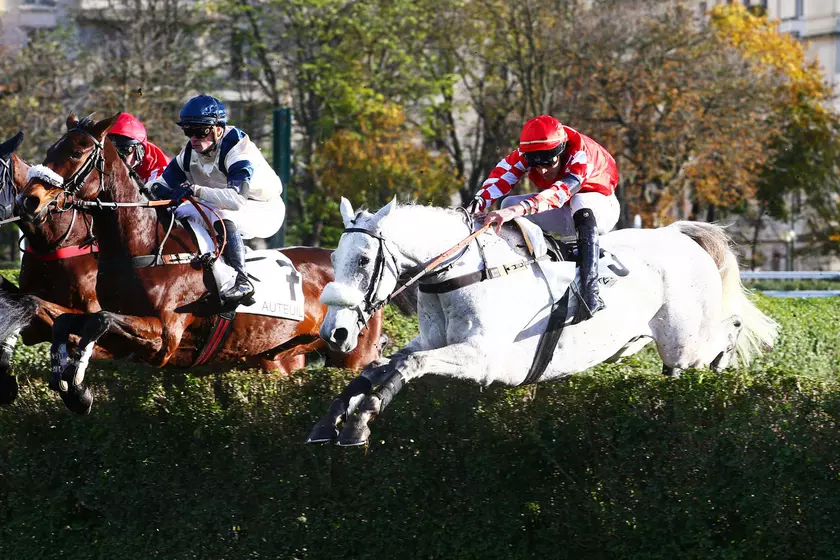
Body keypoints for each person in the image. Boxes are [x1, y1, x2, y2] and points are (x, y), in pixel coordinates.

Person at [471, 115, 620, 319]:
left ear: (561, 150)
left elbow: (560, 193)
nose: (542, 170)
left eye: (549, 162)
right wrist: (475, 206)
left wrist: (515, 211)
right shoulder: (528, 151)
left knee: (578, 200)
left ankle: (590, 292)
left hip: (600, 209)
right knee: (507, 203)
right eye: (535, 164)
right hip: (565, 211)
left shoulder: (581, 153)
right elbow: (499, 178)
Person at [148, 94, 285, 305]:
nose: (193, 138)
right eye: (188, 131)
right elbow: (158, 185)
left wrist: (195, 190)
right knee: (179, 212)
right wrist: (156, 190)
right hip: (223, 205)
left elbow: (236, 200)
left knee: (222, 215)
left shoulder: (238, 150)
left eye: (200, 131)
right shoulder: (189, 153)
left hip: (265, 209)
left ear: (218, 129)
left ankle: (241, 280)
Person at [108, 113, 171, 183]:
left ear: (139, 151)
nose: (116, 159)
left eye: (122, 151)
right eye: (109, 151)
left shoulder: (161, 173)